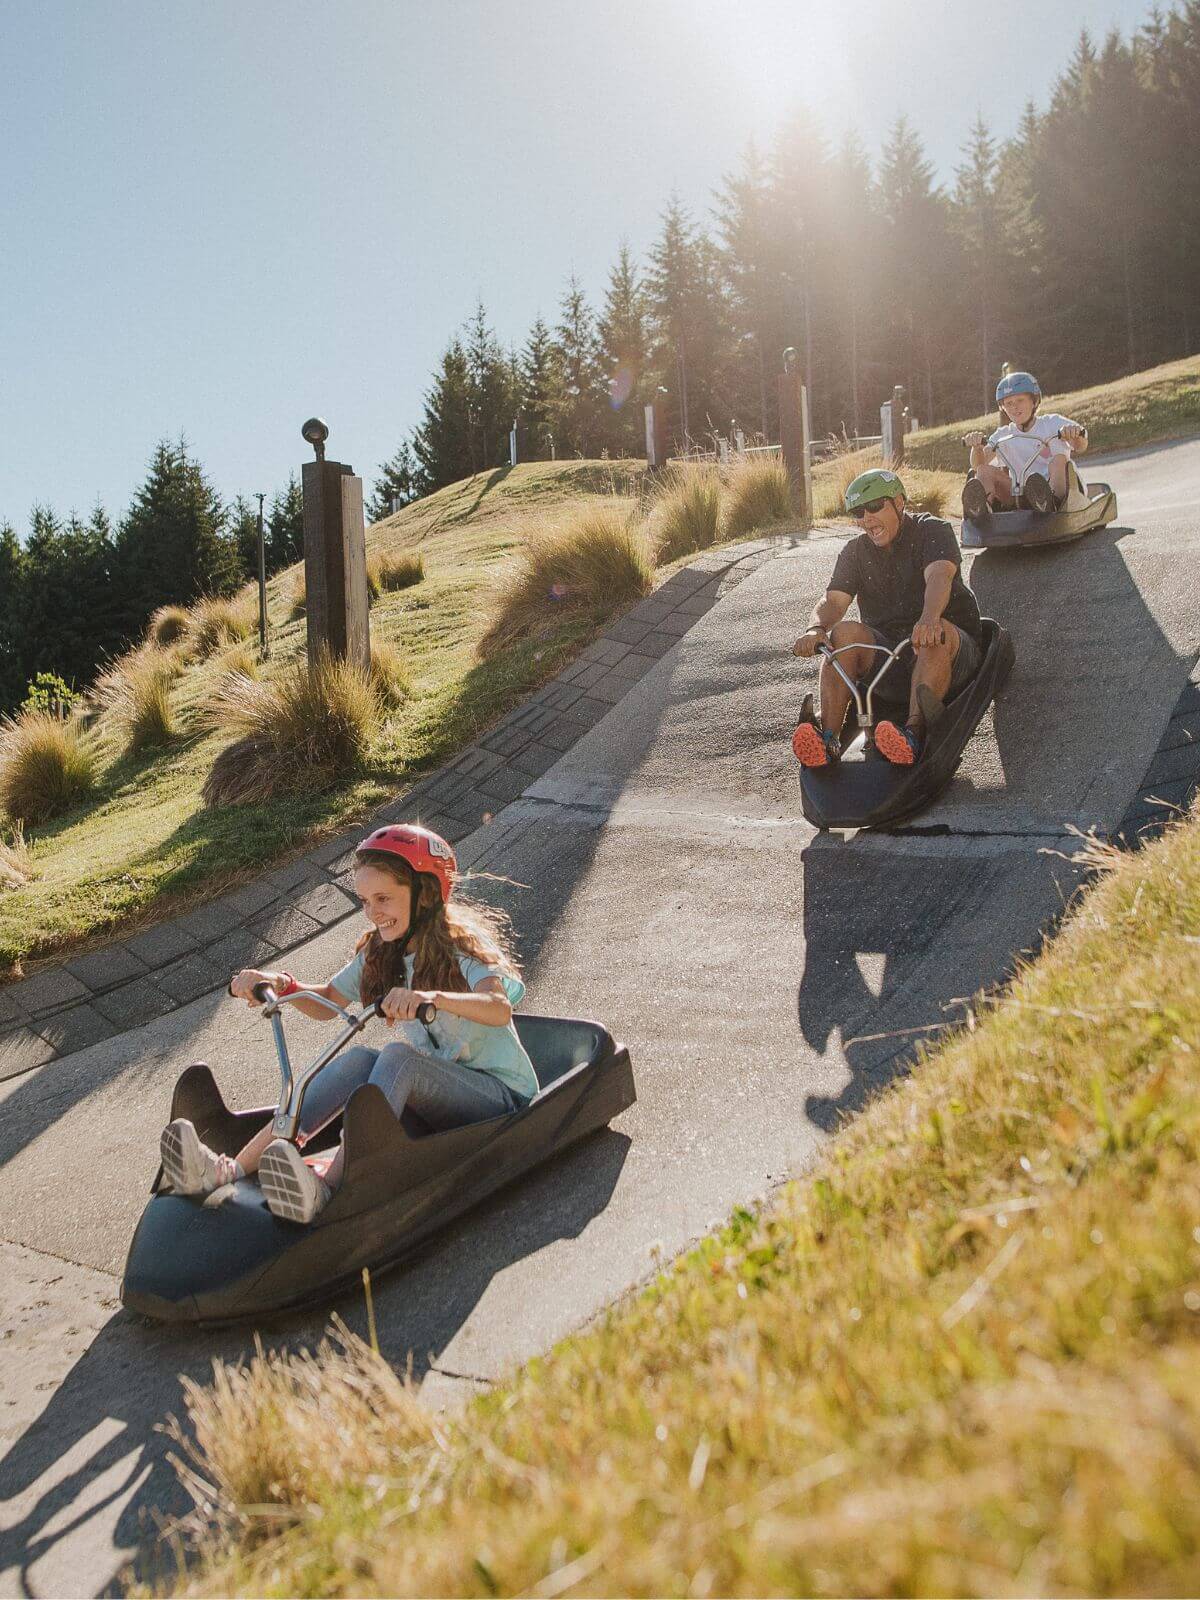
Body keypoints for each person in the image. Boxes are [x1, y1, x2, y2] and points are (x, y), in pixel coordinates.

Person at [158, 823, 538, 1224]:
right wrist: (281, 985)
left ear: (425, 895)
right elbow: (327, 1001)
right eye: (364, 901)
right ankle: (228, 1170)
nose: (374, 913)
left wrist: (432, 997)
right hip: (438, 1096)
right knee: (359, 1059)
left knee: (398, 1057)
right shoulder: (382, 953)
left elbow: (498, 1007)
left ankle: (329, 1189)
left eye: (384, 898)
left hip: (500, 1098)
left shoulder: (461, 950)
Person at [792, 468, 984, 768]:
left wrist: (930, 617)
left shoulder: (931, 530)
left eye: (874, 507)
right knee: (842, 635)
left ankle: (912, 736)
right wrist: (816, 628)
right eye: (858, 512)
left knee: (936, 635)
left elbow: (939, 575)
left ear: (899, 502)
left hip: (950, 651)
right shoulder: (855, 552)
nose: (867, 519)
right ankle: (828, 739)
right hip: (891, 662)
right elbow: (833, 600)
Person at [962, 370, 1088, 517]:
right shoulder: (1003, 435)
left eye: (1020, 400)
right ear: (1003, 408)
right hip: (1019, 495)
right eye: (1009, 403)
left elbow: (1081, 447)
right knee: (984, 470)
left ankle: (1052, 504)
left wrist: (1073, 434)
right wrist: (977, 448)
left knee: (1058, 459)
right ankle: (981, 511)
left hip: (1057, 489)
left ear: (1034, 401)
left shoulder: (1052, 423)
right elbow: (977, 465)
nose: (1014, 407)